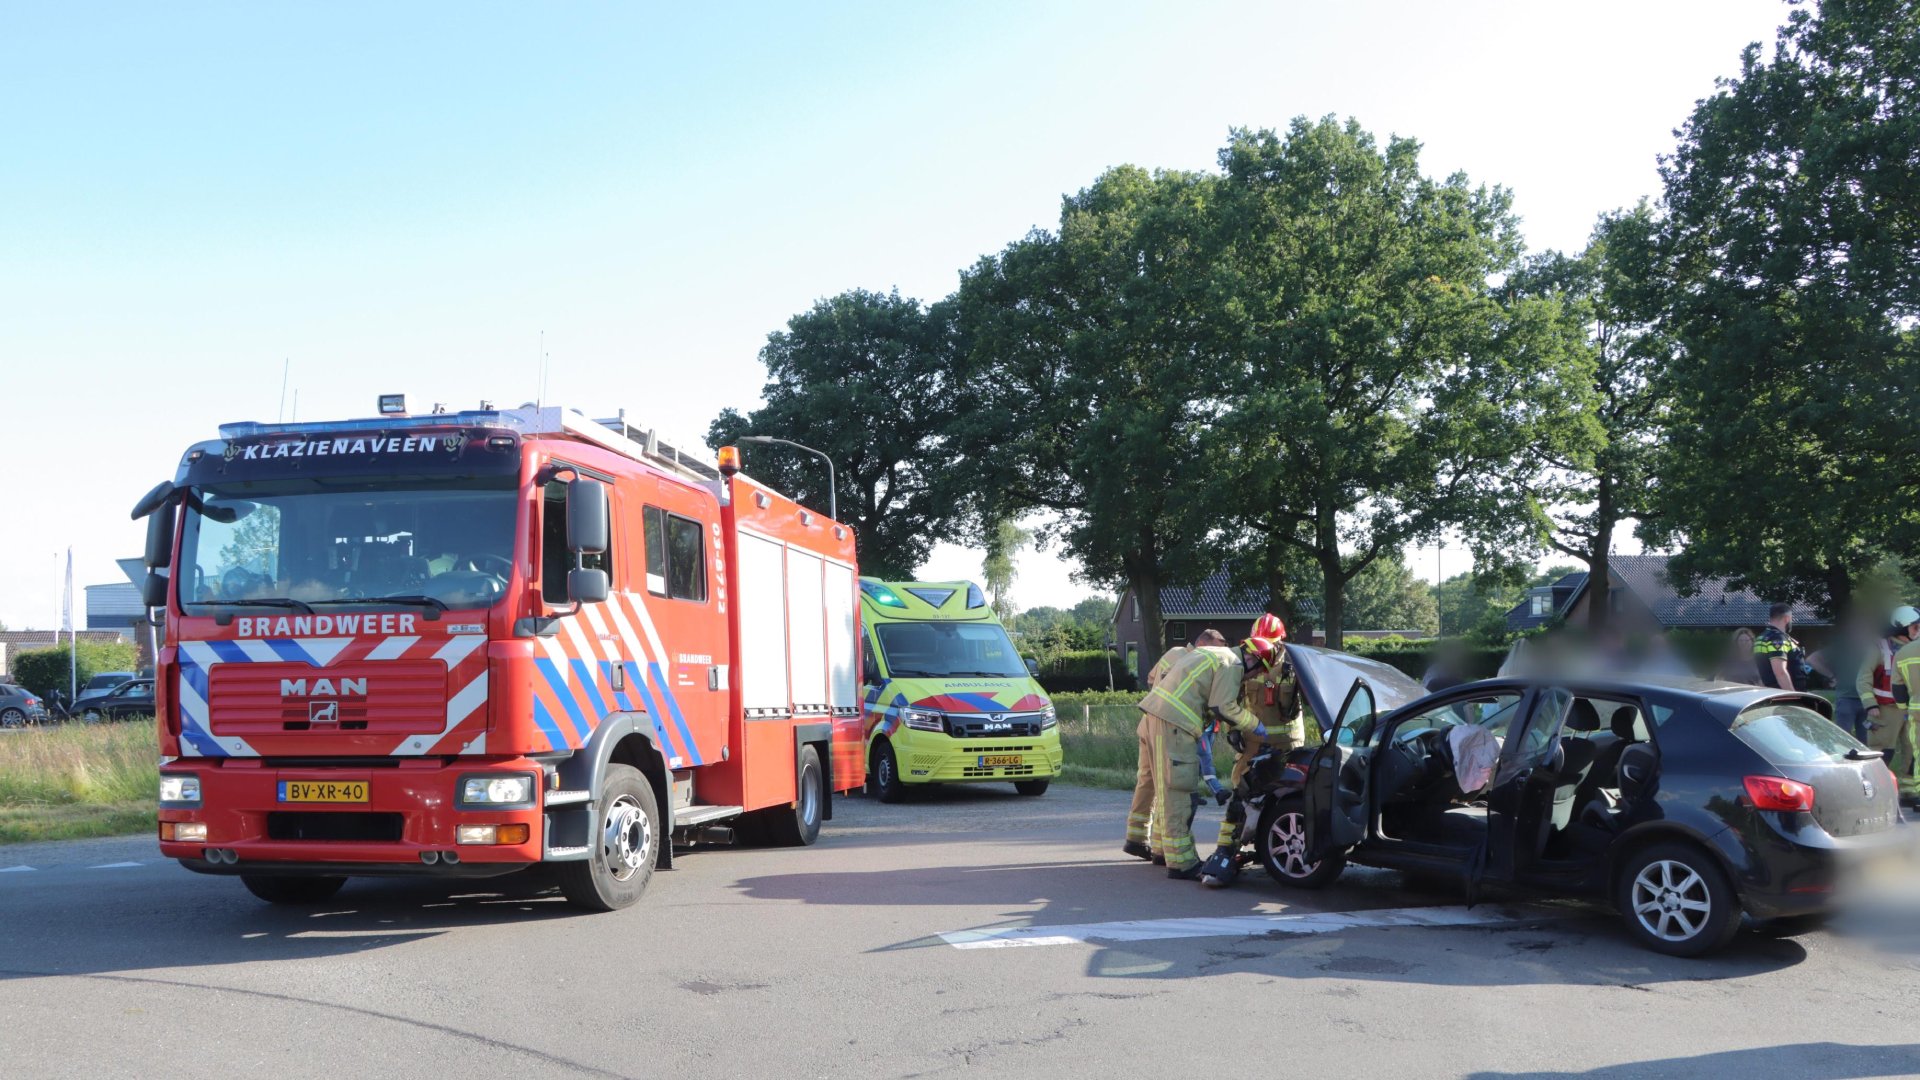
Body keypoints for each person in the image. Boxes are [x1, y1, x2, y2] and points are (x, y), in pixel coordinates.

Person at [1135, 637, 1269, 880]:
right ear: (1251, 660)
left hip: (1158, 718)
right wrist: (1254, 724)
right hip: (1176, 725)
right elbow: (1223, 706)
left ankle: (1162, 850)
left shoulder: (1215, 654)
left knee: (1165, 790)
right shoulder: (1233, 665)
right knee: (1179, 792)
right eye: (1257, 671)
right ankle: (1182, 863)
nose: (1252, 677)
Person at [1199, 615, 1301, 888]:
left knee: (1286, 799)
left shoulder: (1296, 665)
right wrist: (1232, 728)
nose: (1262, 651)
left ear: (1281, 641)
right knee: (1240, 796)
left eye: (1270, 643)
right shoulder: (1246, 661)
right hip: (1252, 742)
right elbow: (1230, 698)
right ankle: (1226, 852)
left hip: (1288, 745)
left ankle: (1278, 847)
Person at [1124, 629, 1226, 863]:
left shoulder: (1173, 653)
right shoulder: (1195, 662)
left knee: (1147, 779)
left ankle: (1136, 838)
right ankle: (1163, 850)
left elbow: (1151, 678)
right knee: (1168, 785)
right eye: (1214, 649)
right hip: (1168, 728)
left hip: (1148, 722)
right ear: (1202, 644)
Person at [1858, 606, 1920, 807]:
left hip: (1909, 710)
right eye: (1914, 627)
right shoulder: (1879, 648)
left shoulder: (1912, 649)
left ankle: (1908, 792)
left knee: (1911, 752)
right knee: (1883, 752)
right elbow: (1863, 678)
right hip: (1884, 711)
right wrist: (1870, 705)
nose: (1917, 631)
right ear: (1901, 628)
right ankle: (1874, 793)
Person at [1812, 611, 1879, 740]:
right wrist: (1831, 676)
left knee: (1865, 740)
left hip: (1868, 701)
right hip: (1846, 699)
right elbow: (1813, 659)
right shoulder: (1841, 648)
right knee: (1843, 739)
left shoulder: (1874, 648)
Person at [1754, 602, 1809, 691]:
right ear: (1787, 619)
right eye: (1791, 619)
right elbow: (1780, 672)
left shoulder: (1762, 637)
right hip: (1785, 694)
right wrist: (1793, 696)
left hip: (1772, 692)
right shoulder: (1778, 638)